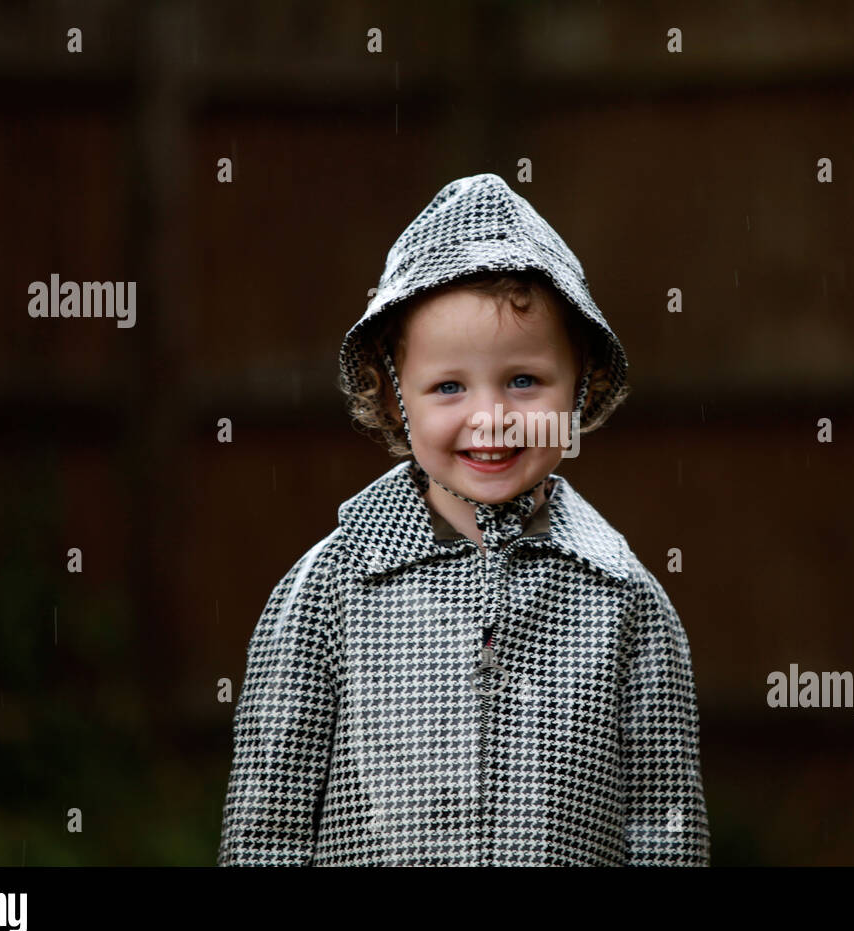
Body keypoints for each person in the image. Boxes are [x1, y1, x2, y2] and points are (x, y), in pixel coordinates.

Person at [217, 173, 709, 866]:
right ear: (393, 398)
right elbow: (266, 834)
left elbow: (665, 830)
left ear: (584, 383)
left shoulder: (625, 601)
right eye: (449, 386)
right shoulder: (325, 593)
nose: (491, 418)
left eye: (524, 381)